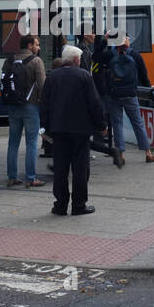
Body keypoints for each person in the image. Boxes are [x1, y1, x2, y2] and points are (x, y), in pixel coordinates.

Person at [41, 44, 109, 216]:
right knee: (80, 169)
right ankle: (79, 205)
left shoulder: (52, 77)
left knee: (61, 169)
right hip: (80, 130)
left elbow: (45, 105)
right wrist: (101, 125)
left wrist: (46, 128)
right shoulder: (84, 76)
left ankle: (60, 205)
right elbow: (94, 104)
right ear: (77, 60)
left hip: (58, 130)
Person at [103, 28, 154, 165]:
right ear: (125, 40)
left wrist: (105, 41)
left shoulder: (110, 55)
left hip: (113, 93)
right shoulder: (135, 55)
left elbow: (99, 63)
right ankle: (148, 153)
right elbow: (143, 75)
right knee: (138, 122)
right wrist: (149, 90)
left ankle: (120, 154)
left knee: (117, 123)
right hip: (130, 94)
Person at [3, 34, 45, 188]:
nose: (38, 47)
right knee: (32, 143)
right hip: (31, 106)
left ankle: (12, 177)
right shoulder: (36, 61)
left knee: (13, 143)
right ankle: (31, 178)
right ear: (29, 46)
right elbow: (42, 85)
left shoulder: (8, 61)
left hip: (13, 106)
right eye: (37, 44)